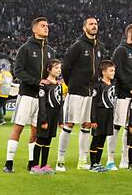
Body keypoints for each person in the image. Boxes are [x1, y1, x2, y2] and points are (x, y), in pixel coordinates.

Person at [4, 16, 51, 174]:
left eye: (47, 26)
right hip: (27, 95)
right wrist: (36, 81)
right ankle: (9, 162)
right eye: (43, 26)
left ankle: (32, 163)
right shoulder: (25, 48)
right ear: (34, 29)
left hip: (42, 98)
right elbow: (18, 72)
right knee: (18, 127)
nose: (46, 28)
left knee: (36, 131)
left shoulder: (50, 51)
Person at [59, 16, 102, 171]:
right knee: (68, 125)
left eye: (96, 24)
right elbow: (66, 67)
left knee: (86, 126)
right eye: (91, 24)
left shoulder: (99, 47)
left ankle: (82, 160)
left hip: (90, 93)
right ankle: (60, 160)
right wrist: (71, 83)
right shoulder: (78, 46)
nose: (94, 26)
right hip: (76, 91)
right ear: (84, 28)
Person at [111, 23, 132, 169]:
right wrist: (131, 88)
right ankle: (111, 159)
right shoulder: (121, 50)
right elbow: (118, 72)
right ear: (129, 34)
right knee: (116, 127)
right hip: (123, 95)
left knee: (130, 128)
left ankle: (125, 159)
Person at [32, 60, 64, 174]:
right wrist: (44, 120)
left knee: (48, 141)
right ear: (49, 70)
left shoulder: (59, 85)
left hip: (55, 115)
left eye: (60, 68)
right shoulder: (44, 85)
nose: (59, 70)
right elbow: (42, 104)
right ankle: (35, 166)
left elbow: (60, 103)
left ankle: (44, 165)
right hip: (46, 115)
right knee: (41, 139)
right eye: (56, 68)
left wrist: (61, 120)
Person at [88, 60, 117, 172]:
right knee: (96, 139)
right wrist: (93, 119)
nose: (113, 73)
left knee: (103, 139)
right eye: (111, 70)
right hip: (99, 114)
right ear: (104, 72)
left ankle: (98, 163)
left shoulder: (113, 84)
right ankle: (93, 164)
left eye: (114, 70)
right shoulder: (98, 86)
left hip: (108, 115)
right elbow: (94, 103)